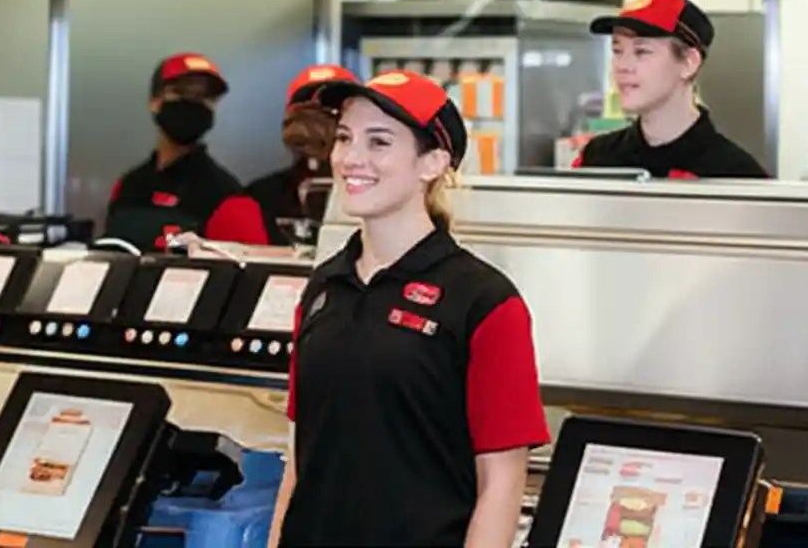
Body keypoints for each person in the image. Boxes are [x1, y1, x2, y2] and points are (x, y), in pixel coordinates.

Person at [269, 70, 549, 547]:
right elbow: (301, 458)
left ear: (432, 162)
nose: (351, 159)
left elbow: (501, 484)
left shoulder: (484, 301)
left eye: (379, 142)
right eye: (344, 138)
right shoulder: (324, 287)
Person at [573, 0, 768, 179]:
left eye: (641, 51)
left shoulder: (735, 174)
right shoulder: (596, 159)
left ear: (689, 63)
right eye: (617, 51)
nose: (622, 66)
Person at [105, 52, 267, 251]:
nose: (193, 104)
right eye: (182, 93)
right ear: (155, 102)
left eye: (204, 97)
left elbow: (249, 273)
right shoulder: (127, 186)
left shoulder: (228, 198)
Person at [245, 64, 358, 245]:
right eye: (307, 112)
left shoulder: (380, 192)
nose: (316, 125)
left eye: (331, 112)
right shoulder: (262, 196)